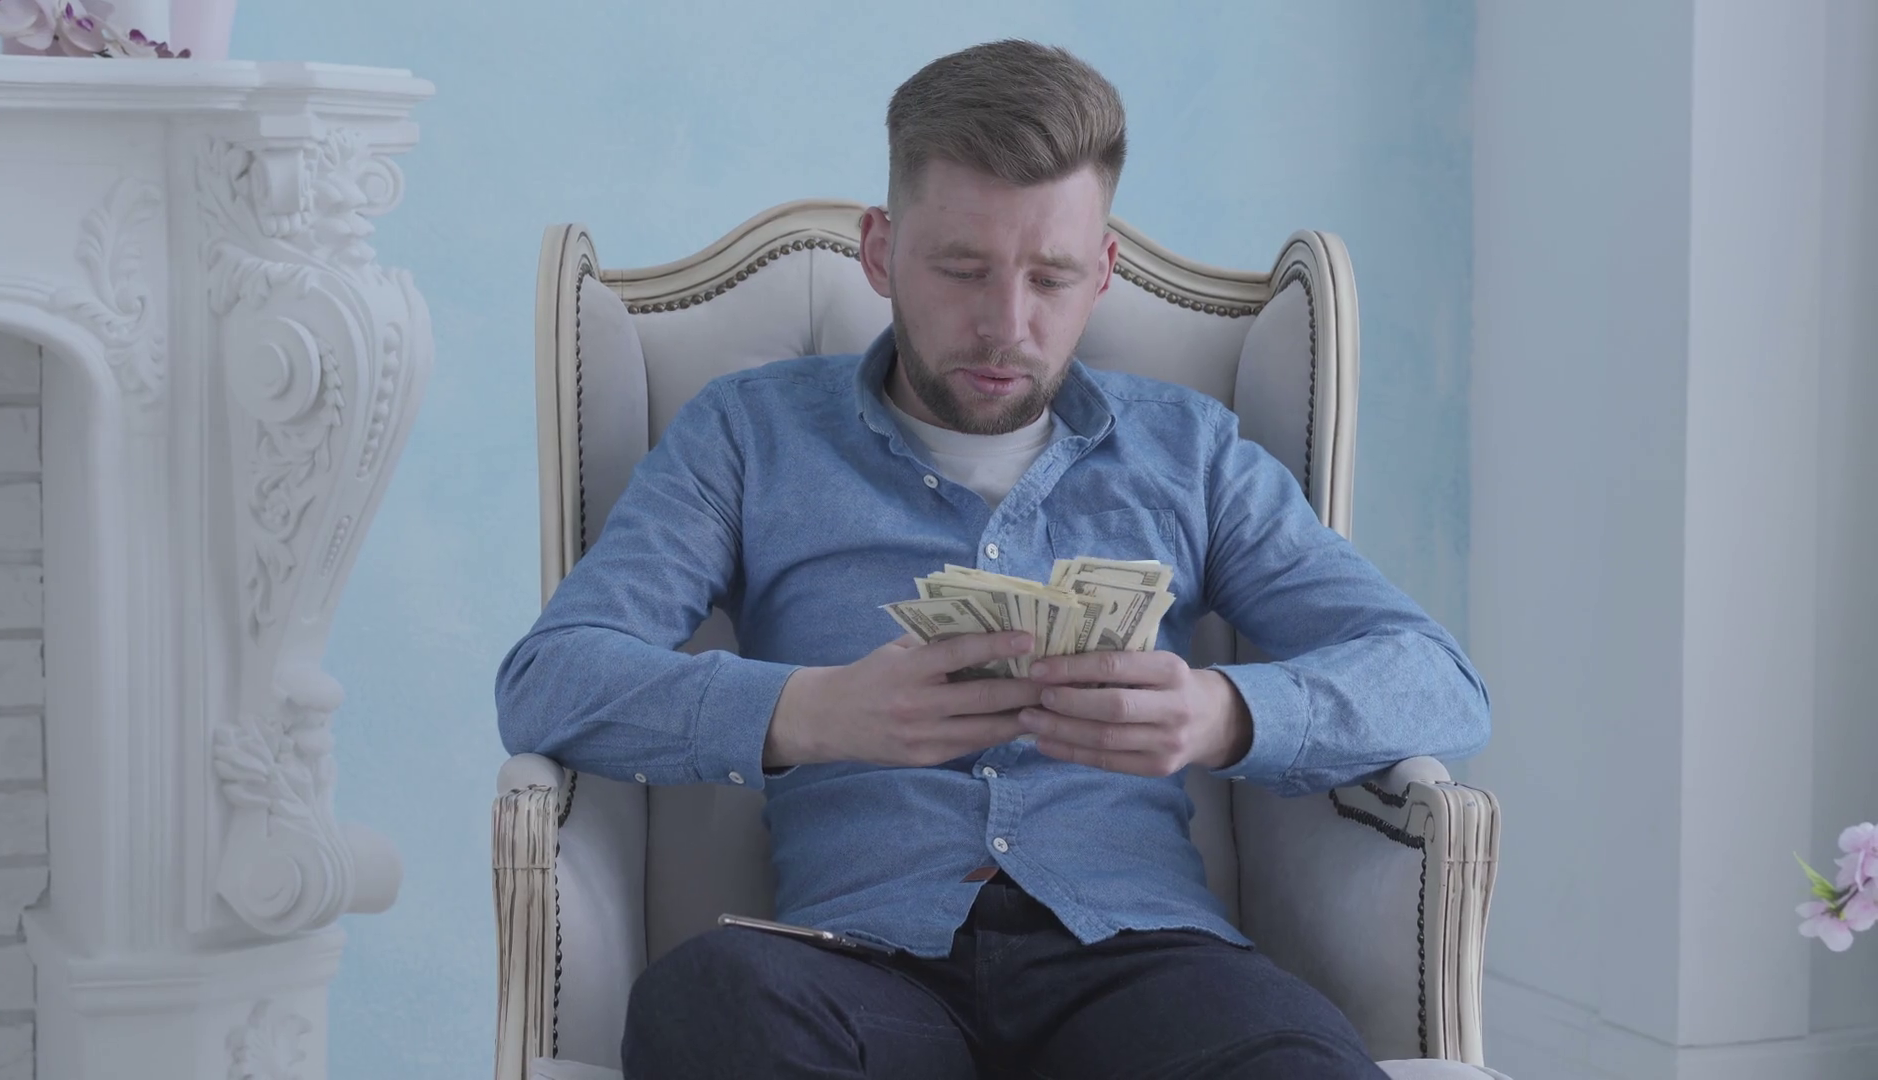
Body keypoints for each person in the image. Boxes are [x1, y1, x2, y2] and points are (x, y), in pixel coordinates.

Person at [496, 38, 1490, 1080]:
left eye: (1052, 276)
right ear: (881, 251)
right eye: (961, 268)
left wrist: (1220, 713)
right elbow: (549, 680)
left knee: (1301, 1061)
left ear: (1101, 270)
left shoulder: (1190, 453)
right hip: (858, 968)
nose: (1005, 325)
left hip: (1143, 964)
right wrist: (811, 712)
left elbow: (1440, 684)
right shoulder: (747, 436)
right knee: (704, 1003)